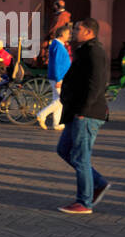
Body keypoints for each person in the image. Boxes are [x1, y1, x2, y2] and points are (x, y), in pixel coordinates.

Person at [55, 18, 111, 214]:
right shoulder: (85, 50)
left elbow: (97, 84)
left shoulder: (94, 51)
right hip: (76, 111)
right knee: (64, 149)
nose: (73, 31)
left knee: (81, 157)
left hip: (86, 113)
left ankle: (84, 202)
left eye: (77, 28)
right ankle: (98, 182)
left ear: (88, 31)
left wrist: (84, 109)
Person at [36, 23, 71, 130]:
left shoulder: (57, 45)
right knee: (62, 100)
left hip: (58, 76)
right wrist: (59, 78)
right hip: (58, 77)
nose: (69, 36)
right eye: (68, 34)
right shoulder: (58, 46)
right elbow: (56, 63)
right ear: (62, 34)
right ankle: (42, 114)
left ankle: (57, 123)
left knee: (58, 100)